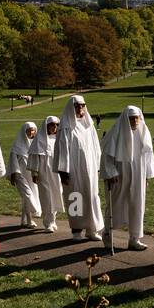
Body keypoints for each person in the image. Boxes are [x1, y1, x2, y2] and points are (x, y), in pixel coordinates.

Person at [100, 105, 154, 251]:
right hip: (119, 176)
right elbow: (106, 155)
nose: (134, 121)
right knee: (115, 205)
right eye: (131, 119)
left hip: (138, 175)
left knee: (137, 205)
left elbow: (148, 156)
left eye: (136, 118)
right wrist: (111, 172)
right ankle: (107, 233)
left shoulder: (143, 133)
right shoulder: (116, 132)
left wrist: (146, 176)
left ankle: (134, 238)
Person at [54, 95, 104, 241]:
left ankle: (91, 229)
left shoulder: (89, 126)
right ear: (71, 108)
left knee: (92, 197)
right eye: (77, 106)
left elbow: (96, 147)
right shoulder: (66, 127)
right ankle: (76, 231)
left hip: (91, 170)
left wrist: (98, 165)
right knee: (76, 198)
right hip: (73, 170)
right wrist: (63, 171)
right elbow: (62, 150)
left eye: (82, 105)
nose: (80, 108)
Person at [29, 116, 64, 232]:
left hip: (56, 173)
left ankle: (53, 220)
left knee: (56, 195)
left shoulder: (59, 139)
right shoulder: (39, 140)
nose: (55, 127)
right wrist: (35, 172)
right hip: (44, 172)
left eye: (56, 125)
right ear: (46, 126)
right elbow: (35, 157)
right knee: (46, 197)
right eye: (52, 125)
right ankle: (47, 222)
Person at [8, 121, 42, 228]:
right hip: (20, 175)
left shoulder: (35, 144)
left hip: (31, 175)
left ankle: (25, 220)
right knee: (28, 195)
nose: (32, 133)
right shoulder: (17, 146)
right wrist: (14, 175)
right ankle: (33, 214)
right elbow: (13, 162)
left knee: (25, 198)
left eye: (33, 130)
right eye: (29, 131)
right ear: (24, 132)